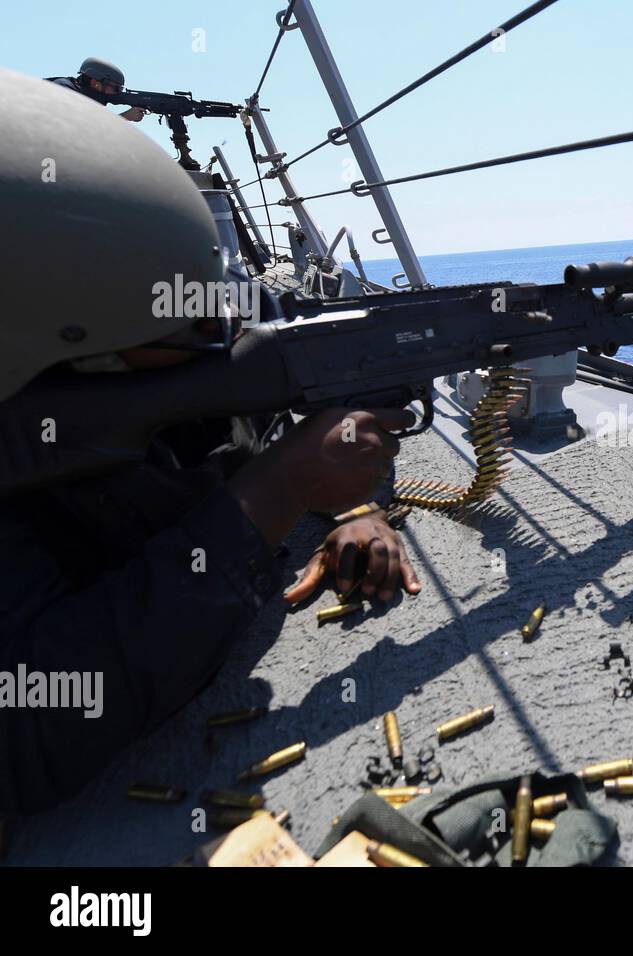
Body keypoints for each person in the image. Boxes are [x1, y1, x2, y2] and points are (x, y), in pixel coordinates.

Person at [0, 67, 420, 814]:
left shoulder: (119, 384)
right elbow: (33, 728)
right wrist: (279, 493)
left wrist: (350, 504)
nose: (223, 331)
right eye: (183, 325)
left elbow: (256, 413)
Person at [47, 56, 145, 122]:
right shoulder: (62, 90)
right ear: (96, 83)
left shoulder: (82, 97)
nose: (118, 93)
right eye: (116, 88)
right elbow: (80, 129)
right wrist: (124, 117)